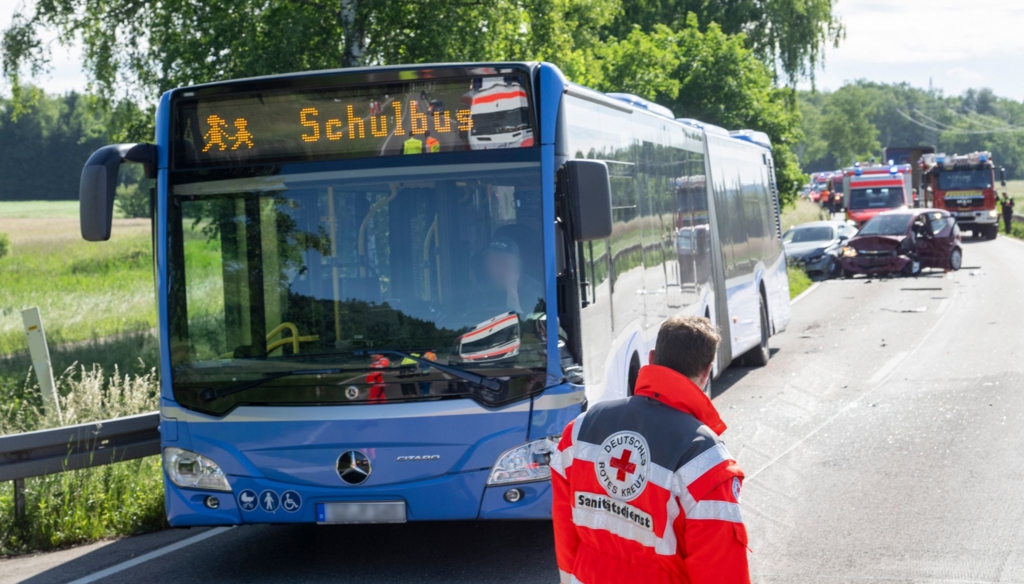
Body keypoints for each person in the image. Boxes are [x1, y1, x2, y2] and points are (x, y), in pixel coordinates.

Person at [551, 316, 749, 584]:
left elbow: (565, 522)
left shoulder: (582, 428)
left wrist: (569, 577)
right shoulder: (705, 458)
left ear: (653, 357)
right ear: (707, 371)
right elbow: (721, 567)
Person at [474, 236, 544, 316]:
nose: (497, 265)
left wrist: (512, 292)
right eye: (492, 260)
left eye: (503, 260)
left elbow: (531, 326)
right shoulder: (480, 290)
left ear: (517, 264)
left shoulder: (535, 291)